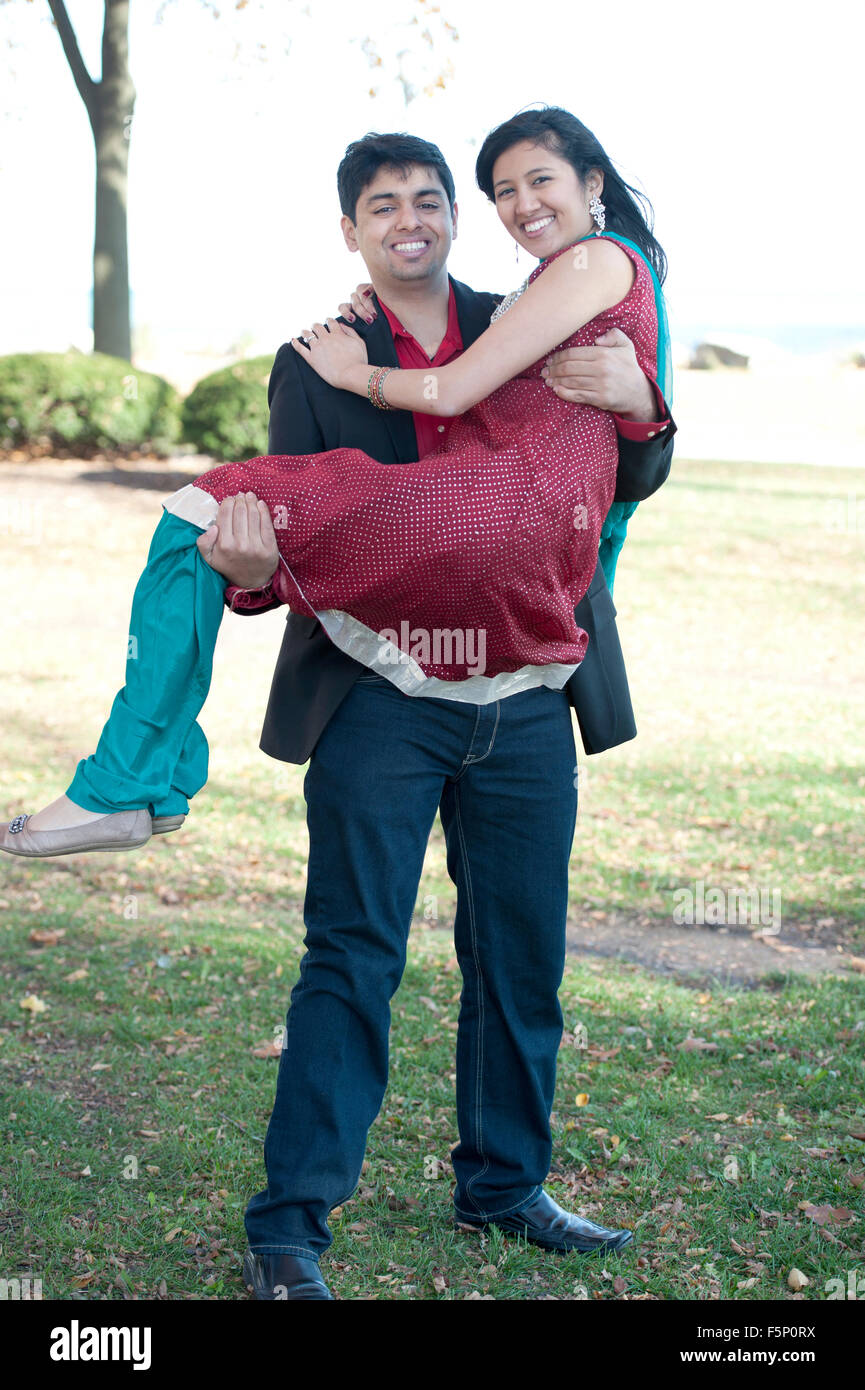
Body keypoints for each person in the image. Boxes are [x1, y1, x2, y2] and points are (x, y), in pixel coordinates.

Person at [2, 109, 675, 1300]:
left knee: (520, 954)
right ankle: (291, 1225)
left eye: (433, 200)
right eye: (384, 206)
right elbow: (286, 549)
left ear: (457, 219)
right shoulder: (314, 356)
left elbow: (627, 469)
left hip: (524, 691)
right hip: (380, 691)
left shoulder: (534, 301)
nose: (412, 221)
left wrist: (642, 403)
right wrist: (249, 574)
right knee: (351, 954)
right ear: (350, 230)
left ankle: (506, 1183)